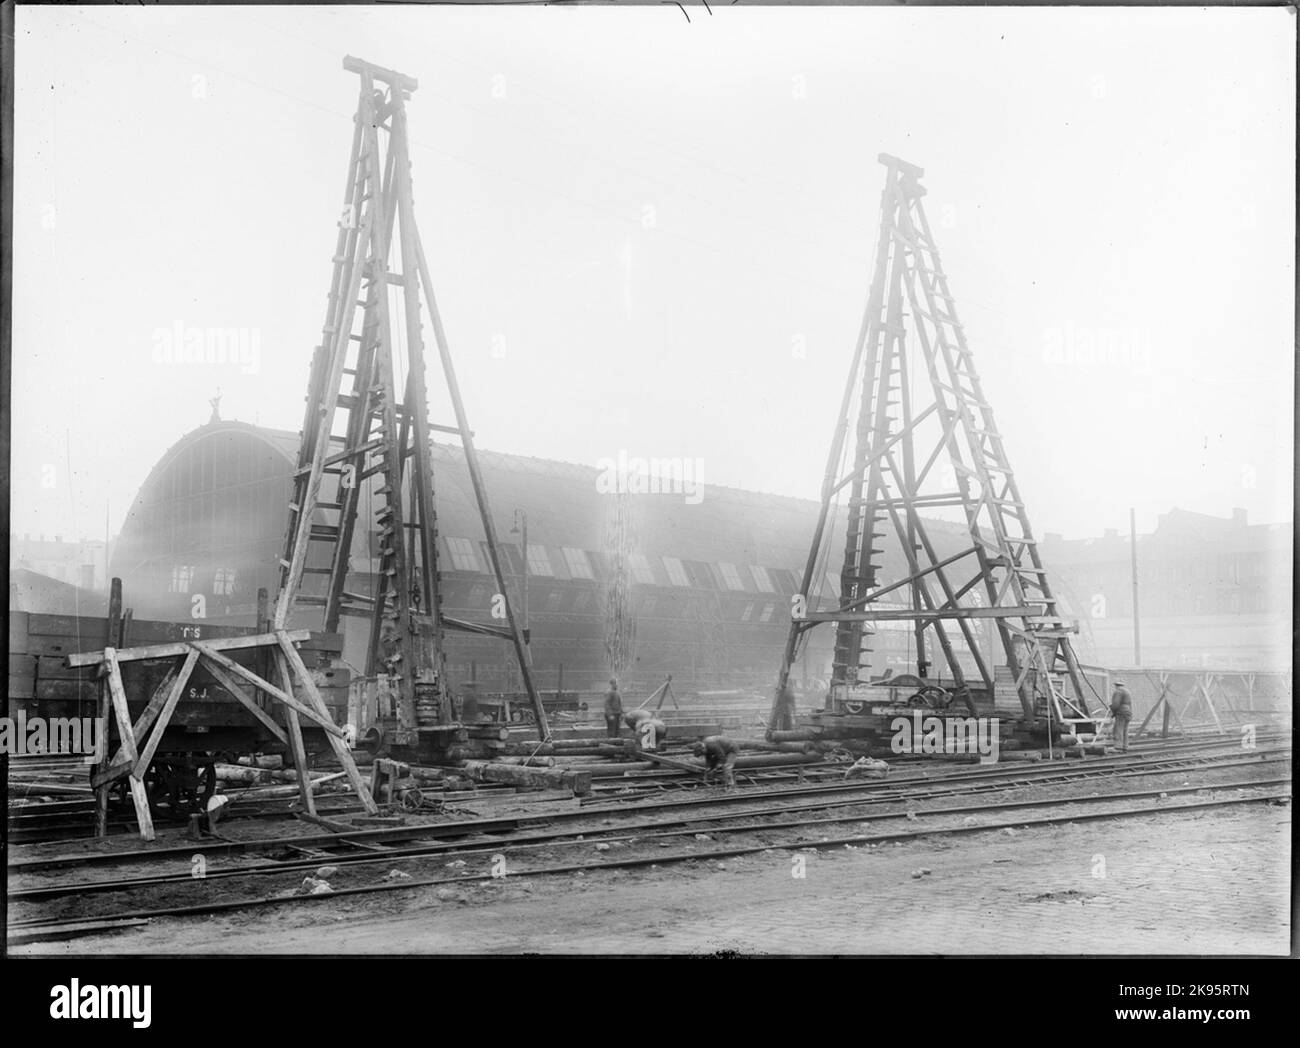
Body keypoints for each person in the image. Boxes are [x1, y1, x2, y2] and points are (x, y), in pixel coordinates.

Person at [1109, 680, 1133, 752]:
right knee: (1125, 730)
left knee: (1118, 729)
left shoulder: (1118, 692)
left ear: (1116, 685)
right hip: (1128, 711)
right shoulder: (1128, 692)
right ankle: (1125, 746)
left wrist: (1112, 709)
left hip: (1121, 712)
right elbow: (1130, 704)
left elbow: (1116, 704)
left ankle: (1118, 747)